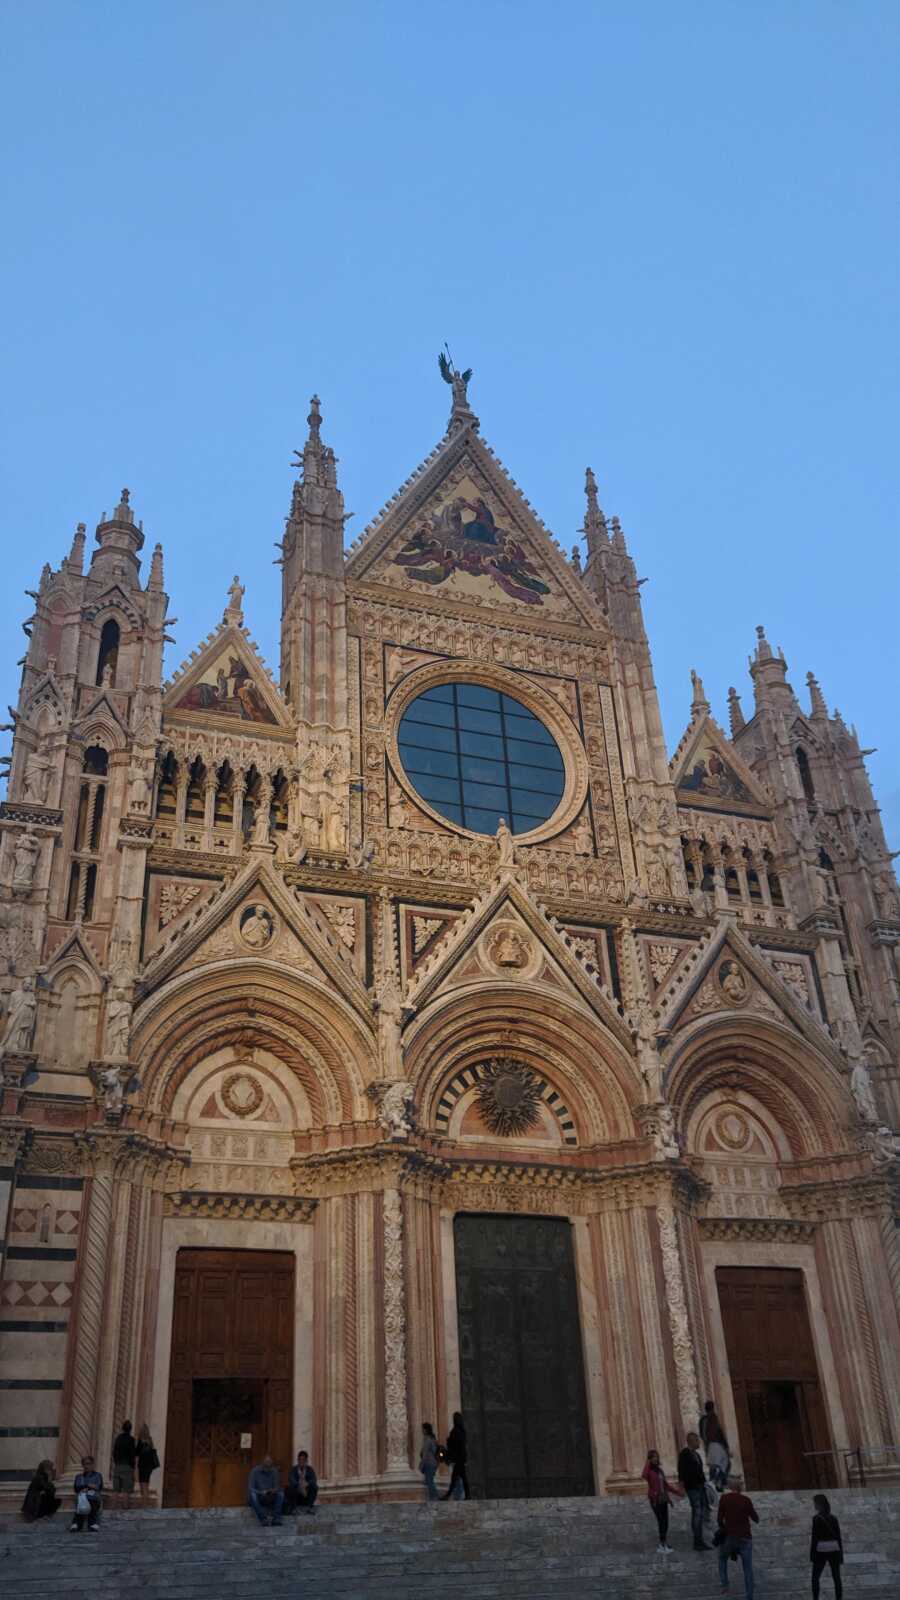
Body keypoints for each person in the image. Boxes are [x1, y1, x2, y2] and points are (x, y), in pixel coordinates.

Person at [717, 1475, 759, 1597]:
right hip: (745, 1537)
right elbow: (755, 1518)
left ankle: (725, 1585)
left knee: (722, 1558)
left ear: (730, 1486)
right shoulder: (746, 1500)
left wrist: (724, 1528)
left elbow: (719, 1519)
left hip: (730, 1537)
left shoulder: (724, 1498)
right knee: (747, 1568)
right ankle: (749, 1595)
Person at [642, 1448, 683, 1552]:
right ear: (650, 1459)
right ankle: (662, 1544)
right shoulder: (649, 1471)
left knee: (666, 1521)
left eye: (656, 1456)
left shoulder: (659, 1471)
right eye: (653, 1457)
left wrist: (677, 1492)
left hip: (663, 1498)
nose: (656, 1459)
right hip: (655, 1499)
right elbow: (644, 1475)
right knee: (661, 1521)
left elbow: (665, 1485)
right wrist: (647, 1462)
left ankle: (664, 1542)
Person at [678, 1432, 712, 1551]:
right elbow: (681, 1472)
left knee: (701, 1511)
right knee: (697, 1512)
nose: (699, 1442)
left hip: (700, 1486)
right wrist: (682, 1488)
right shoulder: (685, 1454)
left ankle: (700, 1539)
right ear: (691, 1441)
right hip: (692, 1488)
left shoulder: (696, 1454)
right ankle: (697, 1541)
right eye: (697, 1440)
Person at [810, 1493, 843, 1600]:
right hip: (834, 1550)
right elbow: (838, 1537)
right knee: (836, 1577)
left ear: (819, 1504)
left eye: (815, 1503)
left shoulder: (816, 1518)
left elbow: (815, 1538)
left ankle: (816, 1598)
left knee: (815, 1578)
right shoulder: (834, 1518)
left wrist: (812, 1554)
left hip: (821, 1551)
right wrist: (840, 1555)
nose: (814, 1505)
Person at [700, 1399, 731, 1490]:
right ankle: (717, 1481)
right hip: (715, 1444)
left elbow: (703, 1433)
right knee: (724, 1463)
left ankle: (716, 1483)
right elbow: (719, 1432)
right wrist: (726, 1446)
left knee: (715, 1465)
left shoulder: (704, 1419)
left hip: (710, 1444)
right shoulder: (712, 1418)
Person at [247, 1454, 284, 1525]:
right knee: (252, 1495)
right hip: (259, 1496)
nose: (268, 1464)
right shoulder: (254, 1471)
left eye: (270, 1462)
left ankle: (276, 1518)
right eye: (266, 1462)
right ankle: (263, 1518)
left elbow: (277, 1487)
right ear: (262, 1462)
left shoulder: (274, 1471)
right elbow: (251, 1488)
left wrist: (272, 1490)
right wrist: (260, 1492)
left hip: (270, 1495)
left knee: (281, 1493)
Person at [71, 1455, 103, 1532]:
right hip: (82, 1496)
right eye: (85, 1464)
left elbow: (98, 1487)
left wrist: (86, 1486)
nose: (86, 1466)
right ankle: (77, 1524)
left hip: (93, 1497)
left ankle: (91, 1523)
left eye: (88, 1464)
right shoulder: (79, 1476)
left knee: (91, 1500)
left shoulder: (97, 1475)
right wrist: (89, 1485)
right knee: (82, 1502)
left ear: (92, 1464)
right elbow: (77, 1487)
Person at [441, 1412, 469, 1501]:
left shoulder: (456, 1431)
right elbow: (462, 1445)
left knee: (455, 1478)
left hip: (458, 1458)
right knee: (461, 1478)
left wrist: (449, 1441)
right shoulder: (462, 1431)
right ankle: (467, 1495)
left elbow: (455, 1445)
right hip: (461, 1458)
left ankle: (448, 1495)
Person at [112, 1418, 138, 1504]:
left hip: (118, 1465)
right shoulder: (131, 1440)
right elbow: (132, 1455)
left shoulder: (118, 1439)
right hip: (127, 1466)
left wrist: (116, 1462)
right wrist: (133, 1467)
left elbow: (114, 1452)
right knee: (126, 1490)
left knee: (116, 1490)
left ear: (122, 1428)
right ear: (130, 1429)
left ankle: (113, 1508)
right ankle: (125, 1507)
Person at [285, 1450, 318, 1515]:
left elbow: (314, 1480)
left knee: (314, 1486)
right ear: (298, 1460)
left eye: (303, 1460)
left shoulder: (310, 1469)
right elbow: (291, 1479)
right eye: (300, 1459)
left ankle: (309, 1507)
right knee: (290, 1487)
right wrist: (300, 1486)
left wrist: (307, 1484)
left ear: (306, 1461)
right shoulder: (294, 1469)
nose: (301, 1461)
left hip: (306, 1495)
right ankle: (293, 1508)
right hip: (297, 1495)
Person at [135, 1422, 159, 1507]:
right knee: (146, 1485)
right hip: (149, 1467)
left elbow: (137, 1454)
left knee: (142, 1485)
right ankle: (145, 1503)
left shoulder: (140, 1441)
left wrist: (136, 1467)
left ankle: (144, 1504)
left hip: (142, 1466)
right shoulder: (150, 1440)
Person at [419, 1422, 439, 1501]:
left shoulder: (428, 1439)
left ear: (426, 1430)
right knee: (428, 1481)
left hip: (429, 1462)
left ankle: (435, 1497)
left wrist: (421, 1465)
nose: (422, 1431)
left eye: (423, 1429)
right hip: (432, 1462)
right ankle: (431, 1498)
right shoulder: (432, 1439)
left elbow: (426, 1453)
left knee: (429, 1481)